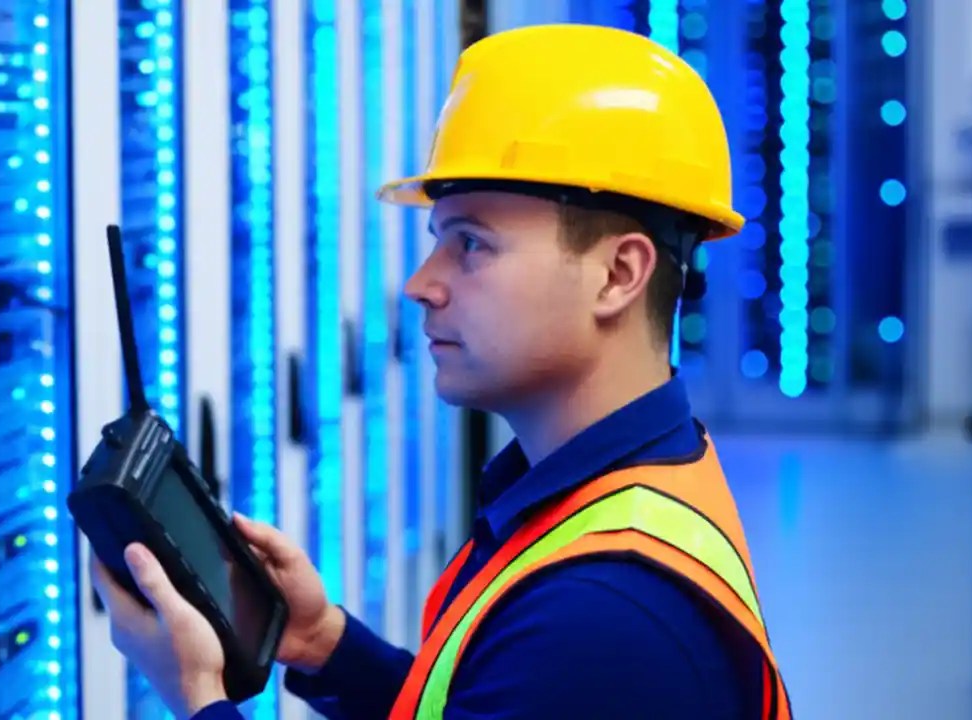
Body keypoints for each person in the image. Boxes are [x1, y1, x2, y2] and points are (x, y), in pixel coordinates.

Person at [91, 23, 792, 719]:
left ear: (618, 274)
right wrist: (324, 643)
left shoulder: (602, 616)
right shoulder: (616, 499)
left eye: (472, 244)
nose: (420, 284)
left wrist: (196, 694)